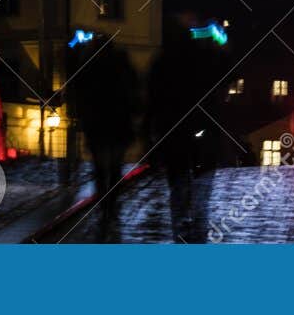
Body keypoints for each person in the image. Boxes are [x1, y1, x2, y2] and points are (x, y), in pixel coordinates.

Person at [145, 20, 231, 241]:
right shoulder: (203, 61)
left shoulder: (161, 63)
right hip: (201, 137)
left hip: (174, 136)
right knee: (201, 198)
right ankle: (197, 236)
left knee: (179, 192)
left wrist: (151, 137)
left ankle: (181, 234)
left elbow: (152, 103)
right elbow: (218, 90)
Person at [65, 36, 139, 202]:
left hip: (97, 124)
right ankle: (111, 202)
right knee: (114, 166)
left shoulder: (89, 66)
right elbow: (133, 93)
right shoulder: (122, 65)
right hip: (118, 124)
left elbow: (79, 91)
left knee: (99, 166)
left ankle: (104, 201)